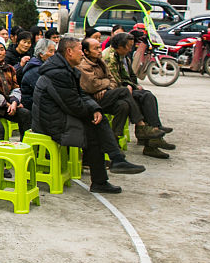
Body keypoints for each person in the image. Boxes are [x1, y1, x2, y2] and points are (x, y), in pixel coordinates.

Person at [31, 34, 145, 194]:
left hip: (60, 114)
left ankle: (108, 170)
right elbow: (74, 105)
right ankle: (112, 164)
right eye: (80, 50)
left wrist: (95, 109)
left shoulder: (67, 68)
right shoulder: (58, 73)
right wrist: (93, 112)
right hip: (50, 122)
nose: (83, 54)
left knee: (98, 121)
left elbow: (81, 94)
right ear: (69, 52)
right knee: (94, 127)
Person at [99, 34, 177, 154]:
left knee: (146, 96)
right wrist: (129, 87)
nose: (131, 49)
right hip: (113, 93)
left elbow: (127, 77)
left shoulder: (121, 56)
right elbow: (113, 82)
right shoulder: (109, 57)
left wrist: (134, 86)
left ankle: (153, 135)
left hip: (121, 90)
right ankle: (150, 134)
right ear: (120, 46)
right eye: (129, 46)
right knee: (140, 98)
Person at [20, 38, 54, 110]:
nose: (54, 54)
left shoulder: (46, 66)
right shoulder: (35, 70)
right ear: (41, 54)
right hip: (32, 105)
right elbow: (46, 91)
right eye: (51, 51)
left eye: (55, 51)